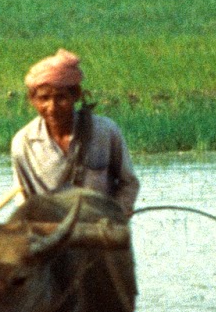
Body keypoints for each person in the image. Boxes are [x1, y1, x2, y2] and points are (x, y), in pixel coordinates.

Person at [11, 49, 140, 214]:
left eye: (61, 98)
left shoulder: (105, 132)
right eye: (44, 98)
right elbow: (23, 198)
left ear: (76, 95)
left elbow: (128, 183)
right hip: (50, 232)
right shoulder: (23, 143)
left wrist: (116, 216)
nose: (52, 107)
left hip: (100, 228)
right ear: (32, 100)